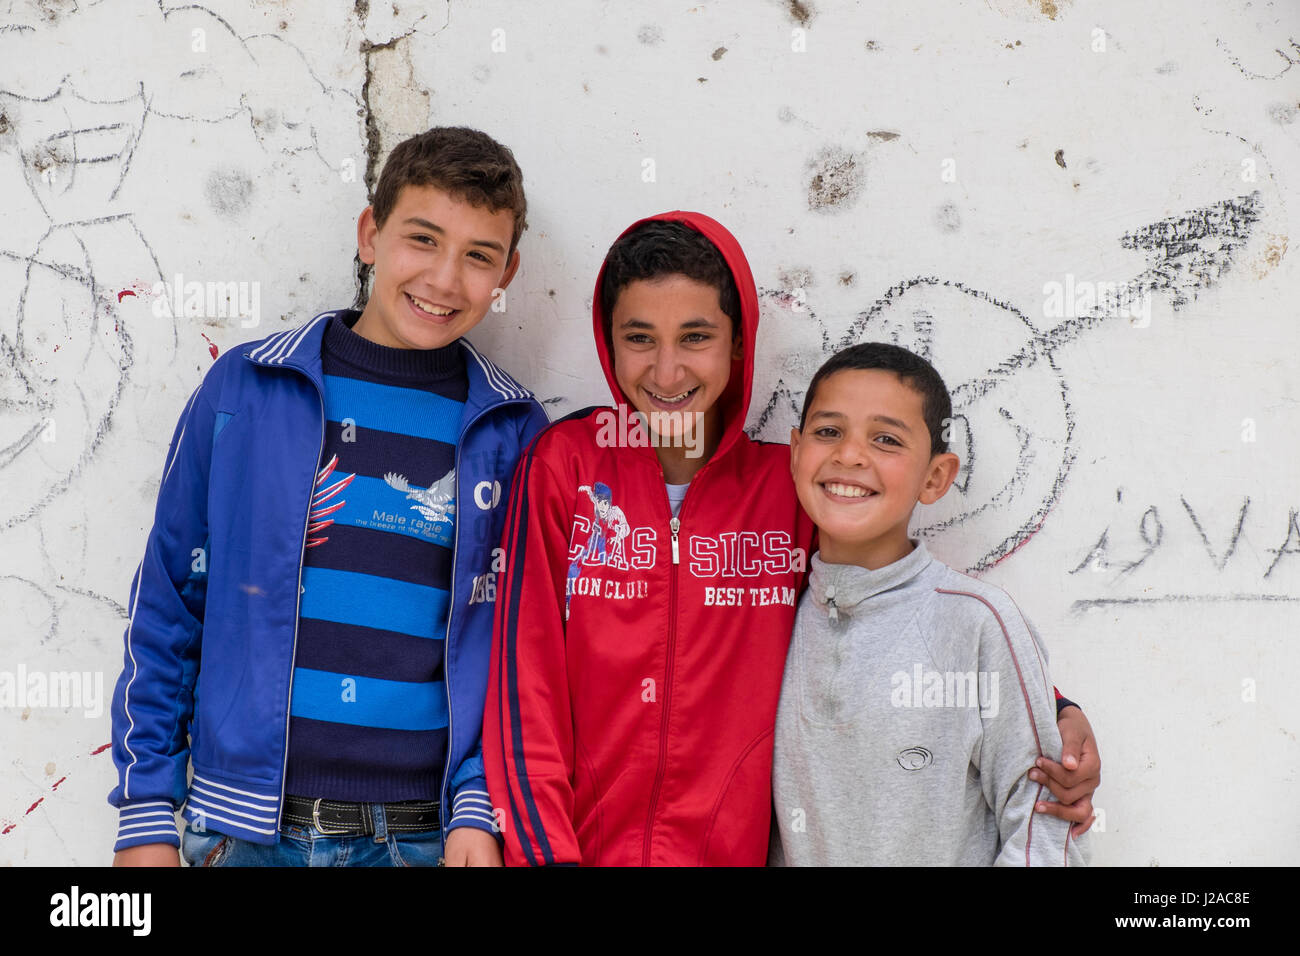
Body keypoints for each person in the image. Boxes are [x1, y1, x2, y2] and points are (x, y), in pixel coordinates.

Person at [484, 212, 1099, 866]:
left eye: (695, 337)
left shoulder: (790, 487)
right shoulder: (565, 469)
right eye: (640, 338)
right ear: (608, 344)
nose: (667, 372)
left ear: (739, 344)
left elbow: (873, 598)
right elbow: (524, 691)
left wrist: (1051, 707)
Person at [108, 127, 548, 867]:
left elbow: (515, 651)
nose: (444, 279)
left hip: (422, 839)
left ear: (507, 273)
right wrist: (147, 810)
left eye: (479, 256)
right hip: (242, 831)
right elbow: (171, 602)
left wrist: (479, 803)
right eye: (423, 238)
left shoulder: (511, 431)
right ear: (370, 234)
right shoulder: (248, 390)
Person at [770, 342, 1088, 865]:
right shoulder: (767, 619)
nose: (849, 455)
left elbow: (1043, 816)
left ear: (935, 477)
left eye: (886, 439)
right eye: (829, 432)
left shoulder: (976, 622)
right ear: (795, 452)